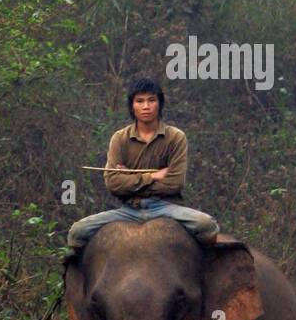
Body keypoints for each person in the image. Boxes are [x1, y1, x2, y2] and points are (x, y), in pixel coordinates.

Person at [66, 77, 219, 252]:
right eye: (140, 101)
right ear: (132, 106)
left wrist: (129, 179)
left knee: (206, 225)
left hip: (166, 207)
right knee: (77, 232)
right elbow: (113, 184)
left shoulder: (176, 137)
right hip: (128, 209)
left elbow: (174, 183)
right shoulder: (120, 138)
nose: (146, 106)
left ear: (160, 104)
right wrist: (152, 176)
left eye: (151, 100)